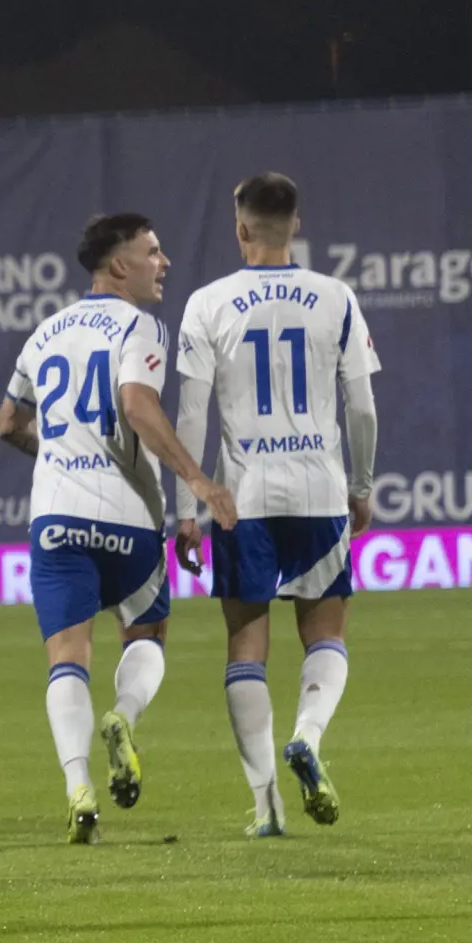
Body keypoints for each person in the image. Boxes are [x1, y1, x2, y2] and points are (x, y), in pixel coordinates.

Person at [0, 214, 236, 842]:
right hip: (127, 515)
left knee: (66, 659)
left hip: (56, 516)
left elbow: (7, 423)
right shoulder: (140, 325)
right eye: (152, 252)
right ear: (120, 265)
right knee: (147, 634)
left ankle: (78, 789)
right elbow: (136, 403)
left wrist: (55, 452)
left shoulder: (43, 333)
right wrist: (198, 481)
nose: (165, 262)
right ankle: (123, 715)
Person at [173, 174, 380, 837]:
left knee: (246, 646)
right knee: (327, 635)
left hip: (244, 497)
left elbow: (191, 413)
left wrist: (187, 508)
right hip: (319, 490)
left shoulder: (209, 303)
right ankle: (308, 738)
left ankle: (267, 808)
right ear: (296, 224)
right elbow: (362, 407)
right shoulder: (335, 297)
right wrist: (361, 486)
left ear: (240, 228)